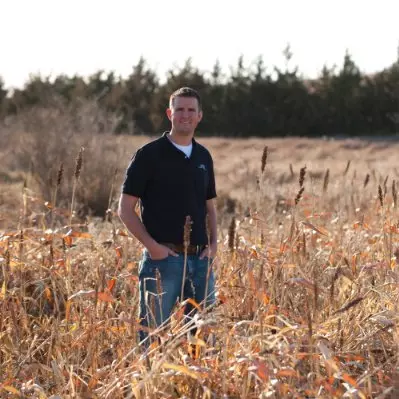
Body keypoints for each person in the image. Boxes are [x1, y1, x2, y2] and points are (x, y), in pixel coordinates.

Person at [118, 87, 218, 344]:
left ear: (200, 116)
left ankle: (195, 383)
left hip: (200, 261)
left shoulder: (203, 156)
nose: (186, 115)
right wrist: (153, 248)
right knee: (152, 337)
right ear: (169, 113)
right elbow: (125, 209)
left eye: (191, 110)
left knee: (203, 337)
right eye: (180, 109)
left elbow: (210, 206)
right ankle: (151, 384)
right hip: (163, 261)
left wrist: (214, 244)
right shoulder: (148, 155)